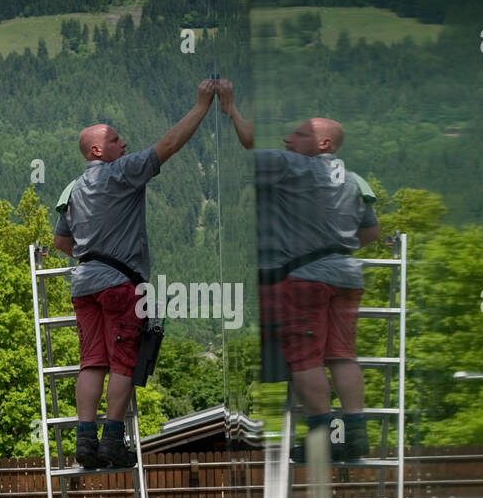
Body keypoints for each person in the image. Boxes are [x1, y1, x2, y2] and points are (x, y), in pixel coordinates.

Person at [53, 79, 217, 469]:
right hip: (120, 285)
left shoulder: (74, 190)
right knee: (124, 362)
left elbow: (62, 242)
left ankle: (84, 441)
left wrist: (92, 250)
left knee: (91, 362)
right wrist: (201, 107)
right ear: (97, 150)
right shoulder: (122, 173)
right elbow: (170, 145)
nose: (123, 144)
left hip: (84, 284)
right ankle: (112, 441)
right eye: (116, 139)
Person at [216, 78, 380, 462]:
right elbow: (371, 233)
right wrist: (336, 243)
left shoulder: (295, 167)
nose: (289, 140)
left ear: (323, 144)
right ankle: (355, 433)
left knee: (305, 357)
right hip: (348, 277)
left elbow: (248, 145)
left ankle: (321, 436)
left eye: (299, 134)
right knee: (342, 355)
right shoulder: (354, 181)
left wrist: (231, 111)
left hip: (306, 278)